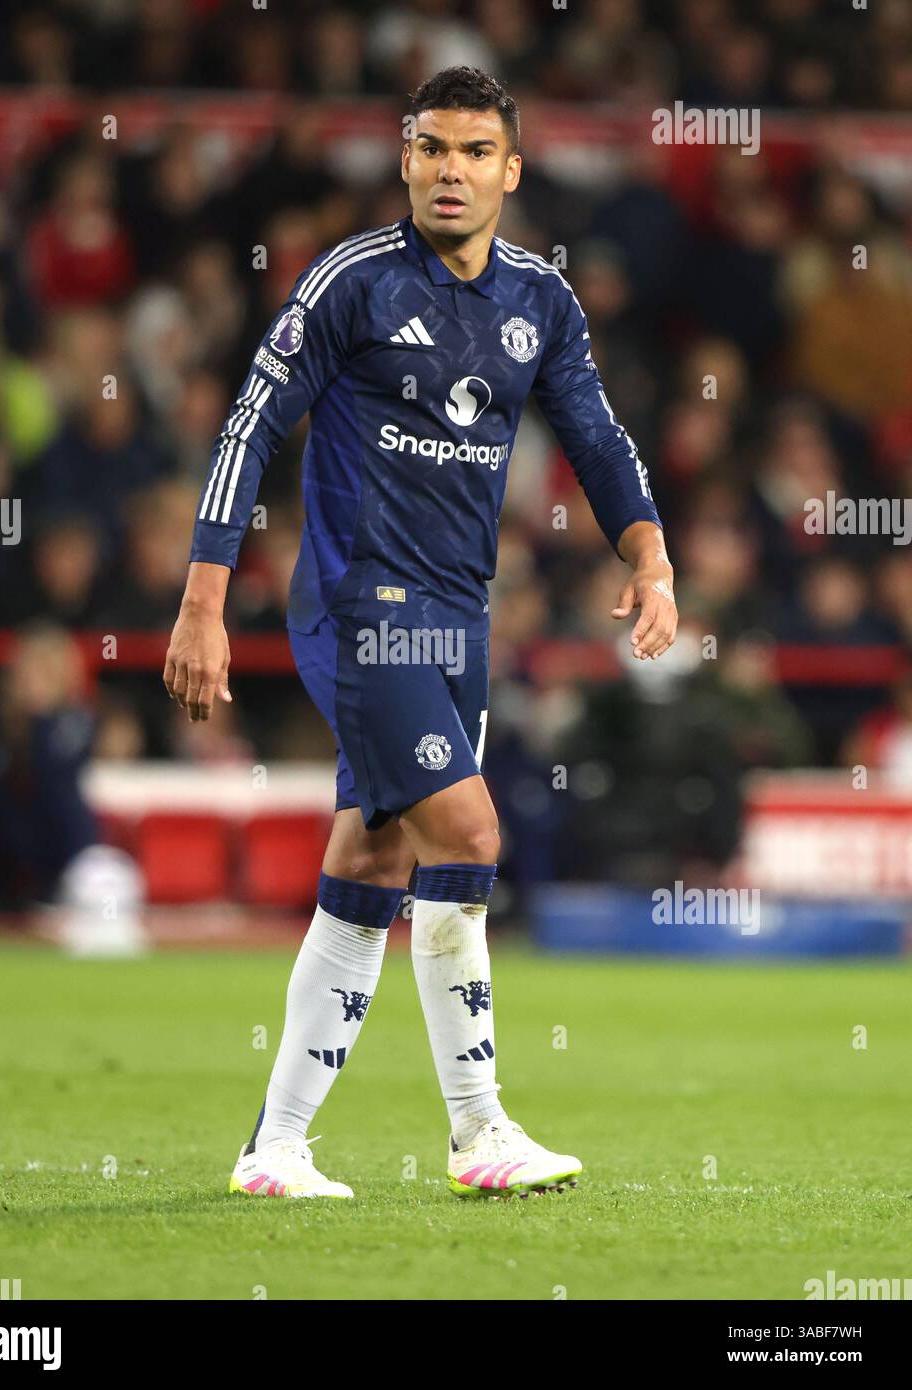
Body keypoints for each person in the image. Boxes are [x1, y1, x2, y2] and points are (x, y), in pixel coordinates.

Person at [163, 67, 678, 1200]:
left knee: (373, 861)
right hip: (361, 607)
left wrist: (648, 555)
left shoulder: (540, 301)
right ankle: (479, 1130)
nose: (452, 170)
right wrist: (203, 600)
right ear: (404, 160)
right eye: (432, 148)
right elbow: (249, 427)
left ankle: (275, 1149)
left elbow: (597, 436)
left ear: (511, 171)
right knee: (470, 834)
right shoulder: (351, 282)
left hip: (460, 620)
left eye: (475, 151)